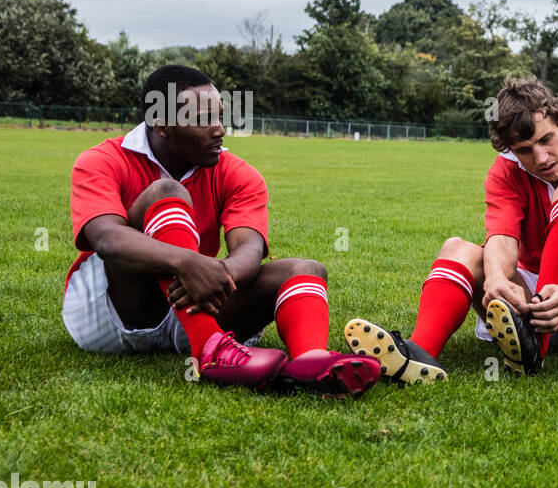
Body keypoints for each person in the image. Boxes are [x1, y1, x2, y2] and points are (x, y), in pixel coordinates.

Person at [63, 64, 380, 397]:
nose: (220, 130)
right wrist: (186, 263)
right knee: (165, 192)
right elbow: (106, 239)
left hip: (193, 302)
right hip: (116, 314)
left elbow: (250, 250)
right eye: (203, 120)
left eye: (220, 117)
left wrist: (217, 273)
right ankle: (208, 348)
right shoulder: (101, 160)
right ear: (162, 123)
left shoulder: (238, 172)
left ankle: (312, 364)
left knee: (306, 269)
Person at [345, 75, 558, 380]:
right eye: (524, 150)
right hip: (532, 305)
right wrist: (496, 280)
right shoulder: (506, 169)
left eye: (545, 140)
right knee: (456, 247)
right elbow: (501, 239)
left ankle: (534, 348)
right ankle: (417, 355)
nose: (540, 157)